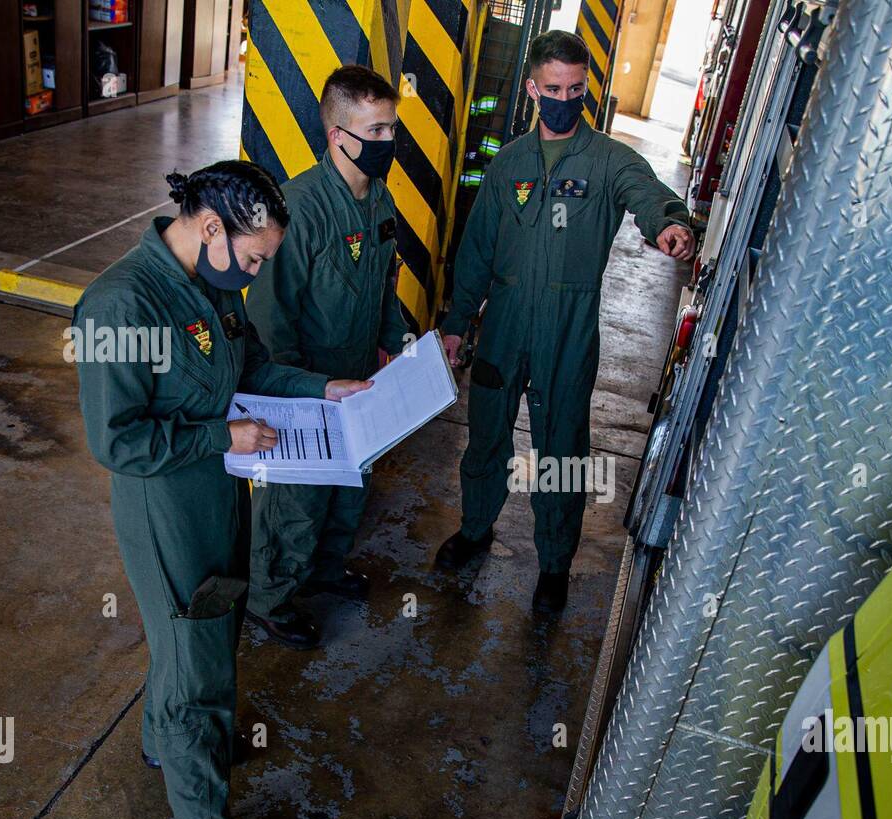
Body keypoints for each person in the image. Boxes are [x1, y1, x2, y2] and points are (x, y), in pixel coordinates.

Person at [75, 161, 372, 819]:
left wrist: (323, 388)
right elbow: (117, 442)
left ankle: (162, 745)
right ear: (210, 227)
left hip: (219, 494)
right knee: (195, 661)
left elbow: (255, 369)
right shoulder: (122, 305)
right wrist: (222, 439)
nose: (253, 272)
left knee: (197, 639)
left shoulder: (210, 289)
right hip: (168, 507)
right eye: (251, 256)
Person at [437, 30, 695, 613]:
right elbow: (477, 248)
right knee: (486, 439)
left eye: (576, 89)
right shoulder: (509, 164)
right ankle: (475, 530)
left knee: (561, 452)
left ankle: (554, 563)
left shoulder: (607, 160)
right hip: (503, 320)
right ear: (532, 88)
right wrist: (457, 320)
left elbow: (647, 194)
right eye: (553, 88)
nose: (565, 98)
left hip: (569, 328)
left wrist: (668, 226)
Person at [244, 65, 411, 650]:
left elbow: (385, 280)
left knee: (348, 483)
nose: (389, 142)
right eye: (378, 130)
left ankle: (322, 569)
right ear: (339, 135)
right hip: (308, 384)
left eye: (392, 128)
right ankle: (270, 598)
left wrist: (395, 341)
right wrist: (295, 393)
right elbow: (269, 316)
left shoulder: (379, 200)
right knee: (297, 495)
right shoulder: (297, 209)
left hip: (360, 379)